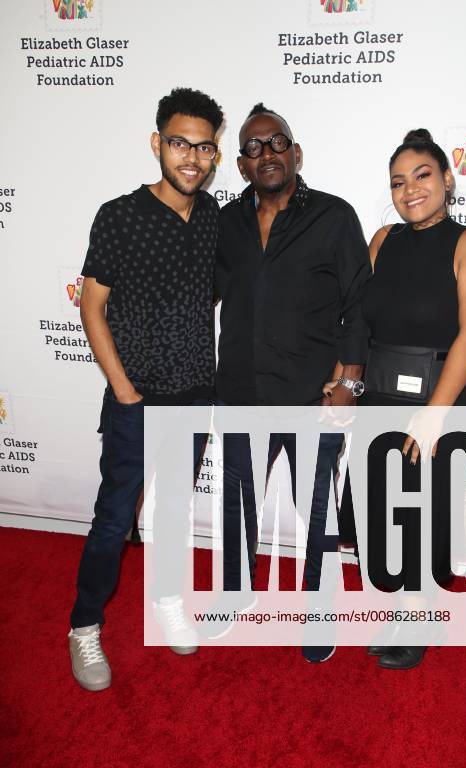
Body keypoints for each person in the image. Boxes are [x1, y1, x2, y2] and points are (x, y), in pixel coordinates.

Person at [325, 128, 466, 669]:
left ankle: (420, 617)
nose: (410, 190)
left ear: (447, 179)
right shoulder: (382, 240)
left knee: (425, 513)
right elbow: (358, 324)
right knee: (385, 513)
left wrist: (433, 417)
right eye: (398, 182)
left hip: (440, 395)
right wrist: (343, 384)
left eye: (422, 176)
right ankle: (404, 609)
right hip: (380, 394)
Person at [68, 87, 223, 691]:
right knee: (114, 516)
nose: (192, 157)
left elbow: (205, 292)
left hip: (194, 392)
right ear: (158, 143)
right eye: (181, 142)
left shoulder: (213, 217)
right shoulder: (120, 215)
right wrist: (126, 390)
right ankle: (84, 627)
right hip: (135, 398)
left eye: (205, 147)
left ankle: (167, 602)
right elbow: (92, 308)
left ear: (214, 156)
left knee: (178, 513)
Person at [213, 103, 370, 662]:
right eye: (254, 147)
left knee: (318, 515)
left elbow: (359, 306)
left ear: (296, 153)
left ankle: (318, 613)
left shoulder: (333, 217)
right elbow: (196, 295)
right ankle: (236, 594)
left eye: (277, 142)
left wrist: (349, 384)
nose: (267, 153)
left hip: (311, 399)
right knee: (237, 505)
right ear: (241, 164)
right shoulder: (224, 225)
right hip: (240, 396)